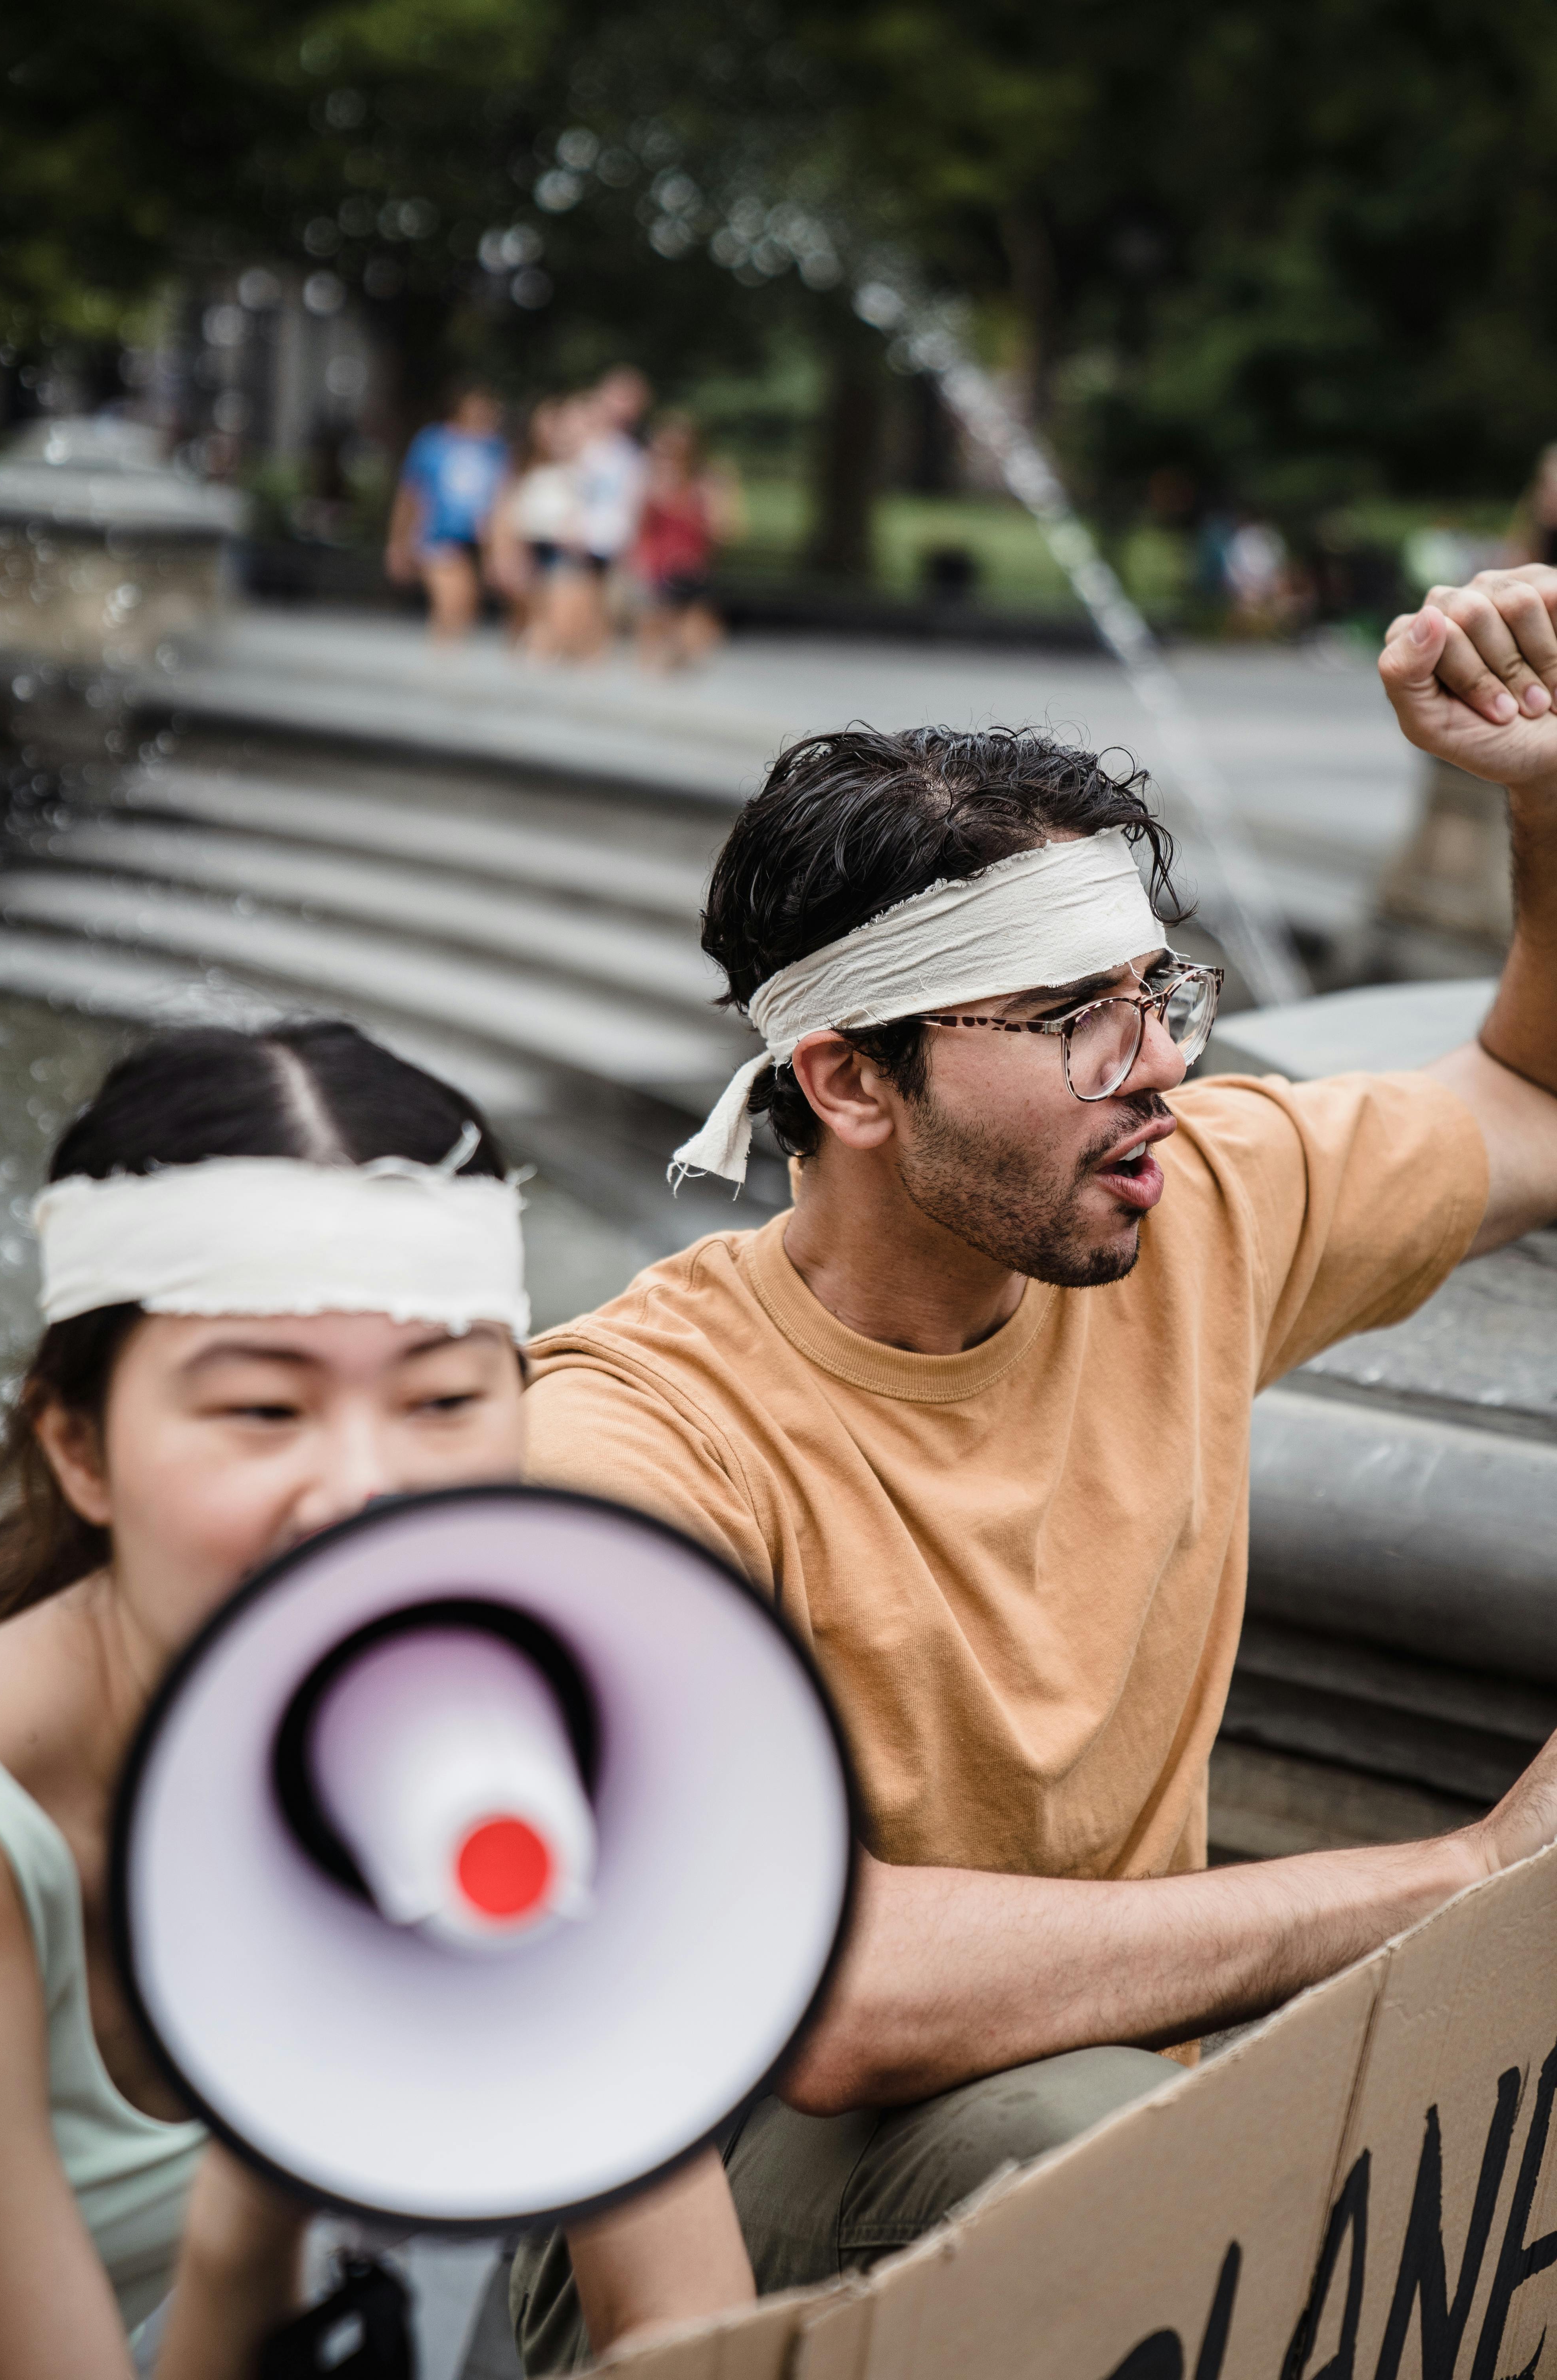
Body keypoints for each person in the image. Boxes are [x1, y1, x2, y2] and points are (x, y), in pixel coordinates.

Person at [478, 565, 1557, 2375]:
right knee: (1078, 2149)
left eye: (1157, 990)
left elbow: (1526, 1102)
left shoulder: (1189, 1186)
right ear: (846, 1079)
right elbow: (817, 1988)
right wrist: (1455, 1873)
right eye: (1071, 1016)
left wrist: (1537, 806)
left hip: (1105, 2109)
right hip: (707, 2215)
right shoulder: (626, 1443)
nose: (1157, 1067)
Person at [0, 1020, 752, 2380]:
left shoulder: (506, 1728)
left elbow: (684, 2322)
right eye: (266, 1413)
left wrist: (254, 2216)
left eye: (442, 1399)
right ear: (80, 1449)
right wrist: (253, 2222)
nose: (363, 1496)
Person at [384, 387, 508, 640]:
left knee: (468, 606)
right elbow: (411, 495)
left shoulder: (495, 449)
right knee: (451, 600)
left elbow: (503, 500)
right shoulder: (433, 442)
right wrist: (398, 542)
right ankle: (443, 655)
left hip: (478, 540)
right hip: (437, 534)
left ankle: (449, 657)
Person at [487, 397, 598, 661]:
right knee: (528, 619)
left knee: (565, 622)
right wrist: (503, 554)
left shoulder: (585, 464)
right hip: (528, 546)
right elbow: (504, 512)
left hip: (564, 549)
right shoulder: (522, 465)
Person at [631, 414, 741, 672]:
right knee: (656, 629)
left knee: (698, 638)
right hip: (659, 565)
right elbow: (640, 527)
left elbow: (725, 530)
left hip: (694, 566)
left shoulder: (707, 483)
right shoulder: (650, 480)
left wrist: (718, 498)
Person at [575, 366, 652, 652]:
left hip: (616, 540)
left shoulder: (635, 450)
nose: (626, 408)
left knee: (605, 619)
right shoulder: (582, 439)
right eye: (621, 398)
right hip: (578, 538)